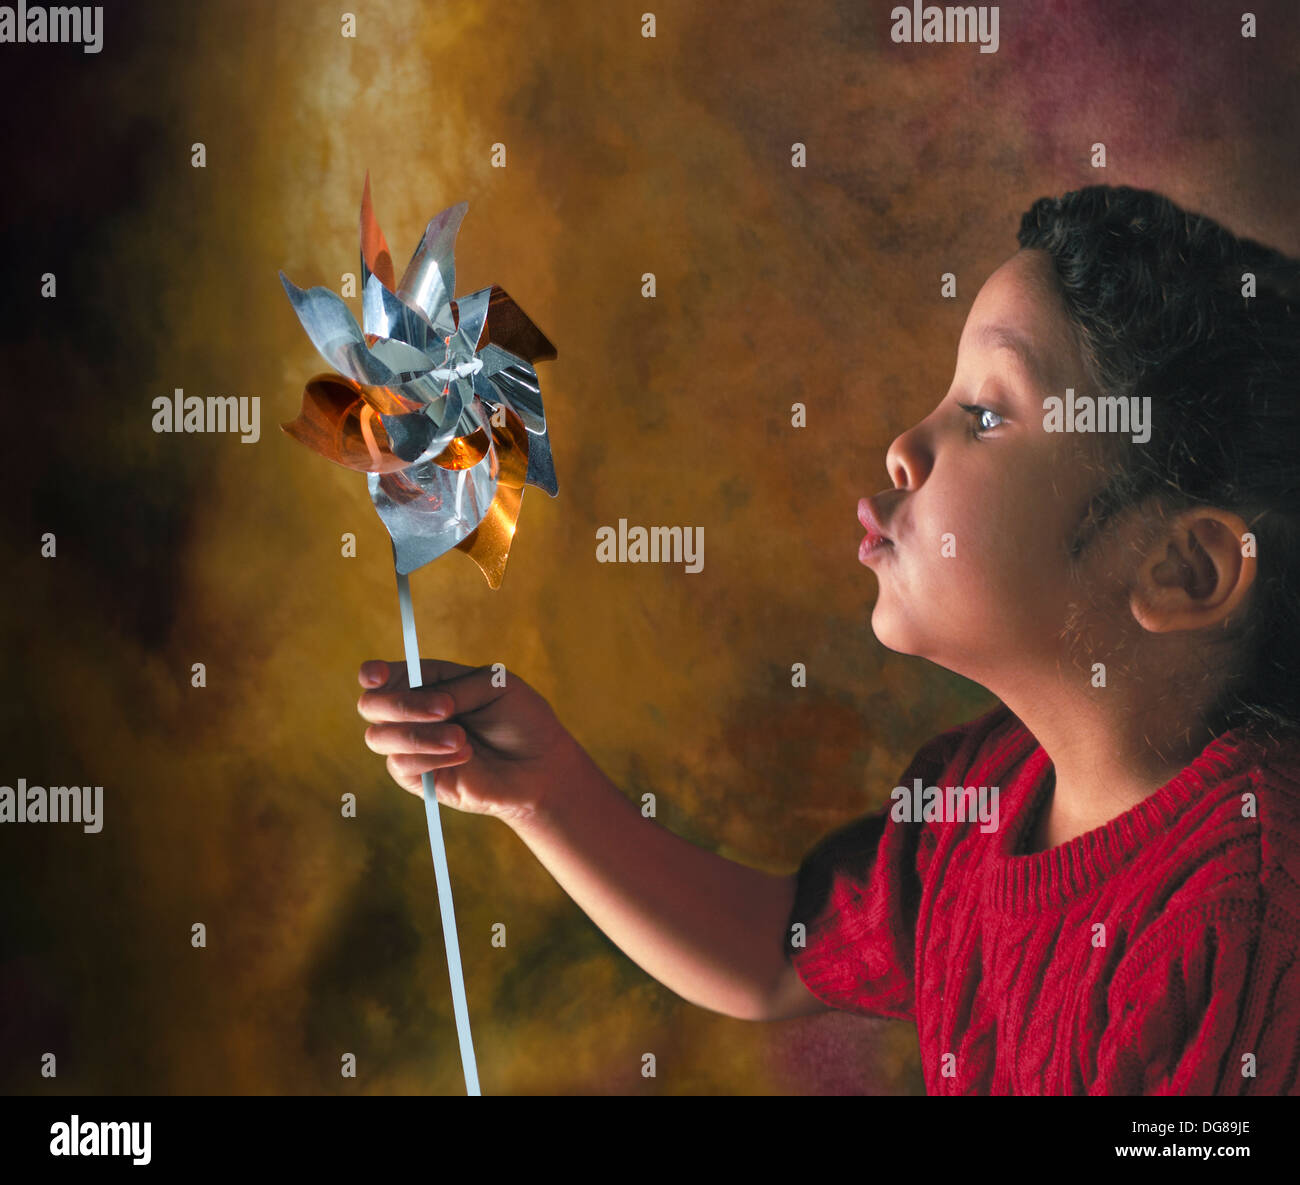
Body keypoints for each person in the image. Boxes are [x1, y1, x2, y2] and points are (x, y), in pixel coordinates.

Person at [355, 185, 1300, 1094]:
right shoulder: (981, 796)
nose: (905, 444)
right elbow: (778, 955)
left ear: (1185, 572)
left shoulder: (1241, 909)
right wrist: (547, 790)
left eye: (985, 413)